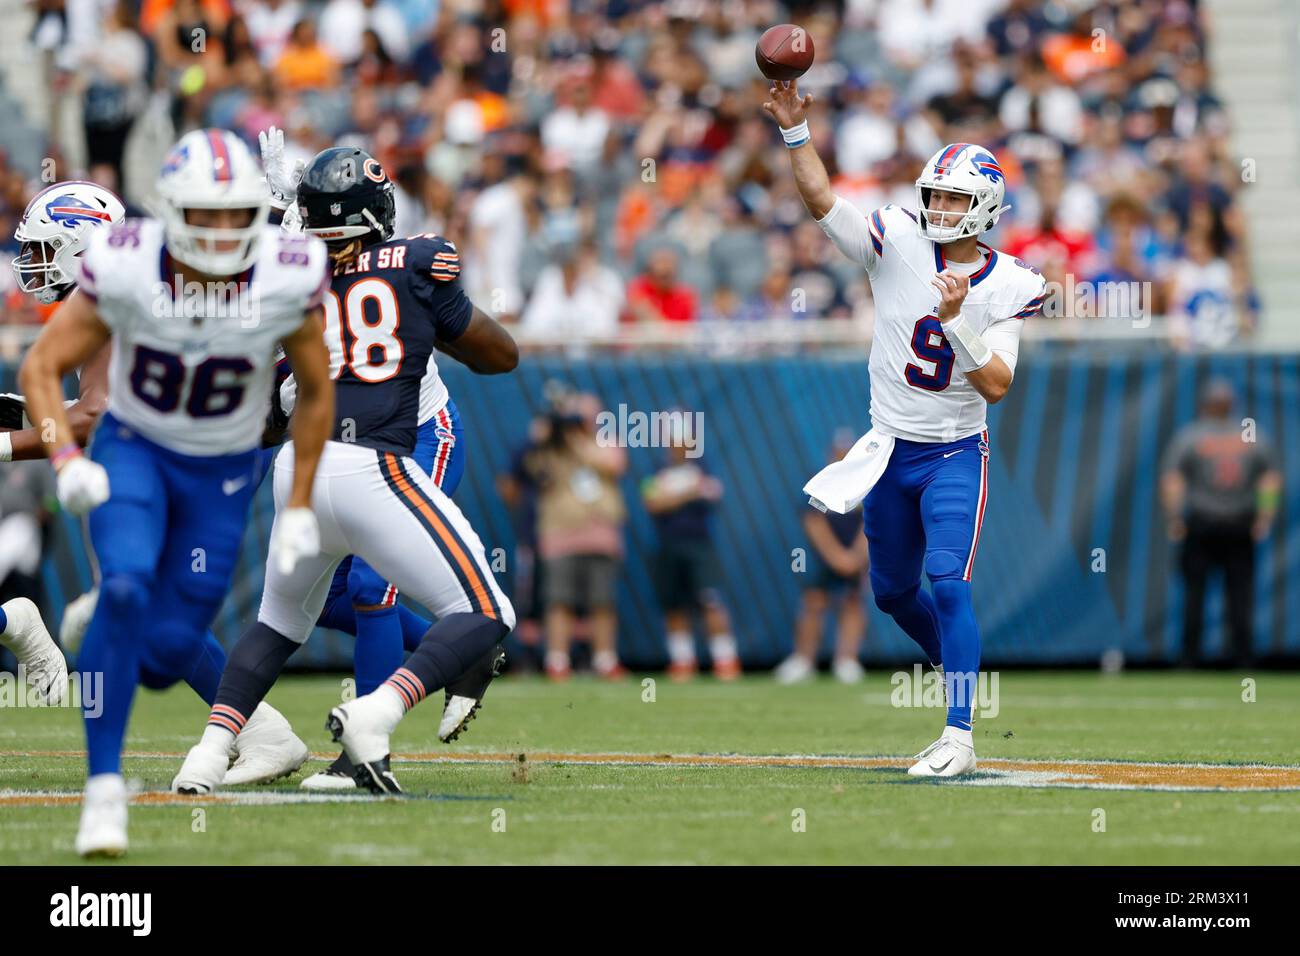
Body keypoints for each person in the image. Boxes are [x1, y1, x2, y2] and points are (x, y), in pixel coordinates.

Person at [19, 128, 337, 856]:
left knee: (165, 653)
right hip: (138, 452)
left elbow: (319, 390)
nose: (220, 233)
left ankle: (228, 707)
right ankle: (104, 792)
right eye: (202, 215)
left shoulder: (285, 270)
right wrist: (63, 457)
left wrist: (299, 504)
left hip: (219, 468)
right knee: (128, 586)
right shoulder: (128, 265)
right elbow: (50, 375)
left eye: (234, 215)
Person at [172, 146, 518, 797]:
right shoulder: (410, 260)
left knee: (328, 602)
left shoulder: (279, 282)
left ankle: (230, 754)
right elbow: (499, 353)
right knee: (448, 604)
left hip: (372, 445)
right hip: (369, 459)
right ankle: (425, 681)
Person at [766, 82, 1044, 777]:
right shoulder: (896, 238)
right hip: (889, 449)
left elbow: (997, 385)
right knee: (892, 593)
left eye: (954, 198)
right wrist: (797, 133)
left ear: (985, 206)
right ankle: (960, 670)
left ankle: (959, 733)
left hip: (954, 452)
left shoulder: (1011, 282)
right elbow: (822, 202)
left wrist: (955, 323)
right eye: (936, 196)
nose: (940, 209)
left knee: (948, 582)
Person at [1160, 379, 1280, 668]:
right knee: (1239, 593)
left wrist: (1175, 518)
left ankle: (1190, 660)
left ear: (1205, 405)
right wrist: (1264, 517)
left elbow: (1172, 480)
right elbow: (1270, 480)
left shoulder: (1191, 436)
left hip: (1203, 523)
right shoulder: (1251, 436)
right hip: (1238, 523)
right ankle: (1242, 659)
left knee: (1195, 593)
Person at [521, 387, 627, 681]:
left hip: (600, 535)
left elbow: (614, 465)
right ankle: (557, 660)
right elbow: (534, 470)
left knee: (602, 600)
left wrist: (575, 440)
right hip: (560, 535)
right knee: (559, 600)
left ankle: (605, 659)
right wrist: (547, 436)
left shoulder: (606, 442)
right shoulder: (552, 447)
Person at [641, 441, 740, 681]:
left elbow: (711, 493)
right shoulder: (656, 471)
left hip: (700, 547)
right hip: (668, 547)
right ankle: (683, 661)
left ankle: (725, 660)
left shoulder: (703, 469)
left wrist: (671, 497)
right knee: (674, 605)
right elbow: (652, 504)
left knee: (710, 600)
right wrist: (688, 493)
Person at [776, 436, 871, 685]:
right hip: (822, 557)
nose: (843, 456)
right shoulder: (823, 484)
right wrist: (836, 556)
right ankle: (803, 660)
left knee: (853, 602)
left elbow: (872, 520)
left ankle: (847, 661)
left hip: (856, 556)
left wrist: (855, 556)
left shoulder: (866, 485)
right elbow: (813, 521)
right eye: (839, 452)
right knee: (814, 602)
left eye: (847, 451)